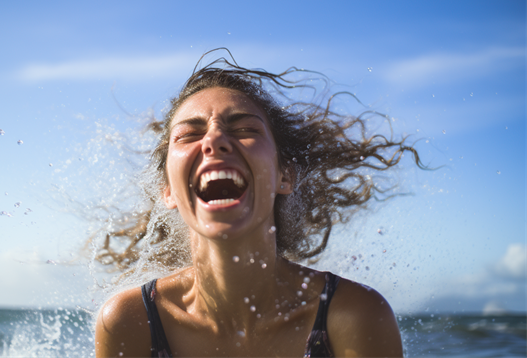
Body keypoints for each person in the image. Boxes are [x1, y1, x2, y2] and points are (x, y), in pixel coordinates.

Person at [94, 51, 421, 357]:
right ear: (168, 190)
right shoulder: (130, 323)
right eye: (189, 135)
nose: (214, 140)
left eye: (245, 129)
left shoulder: (353, 316)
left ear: (284, 175)